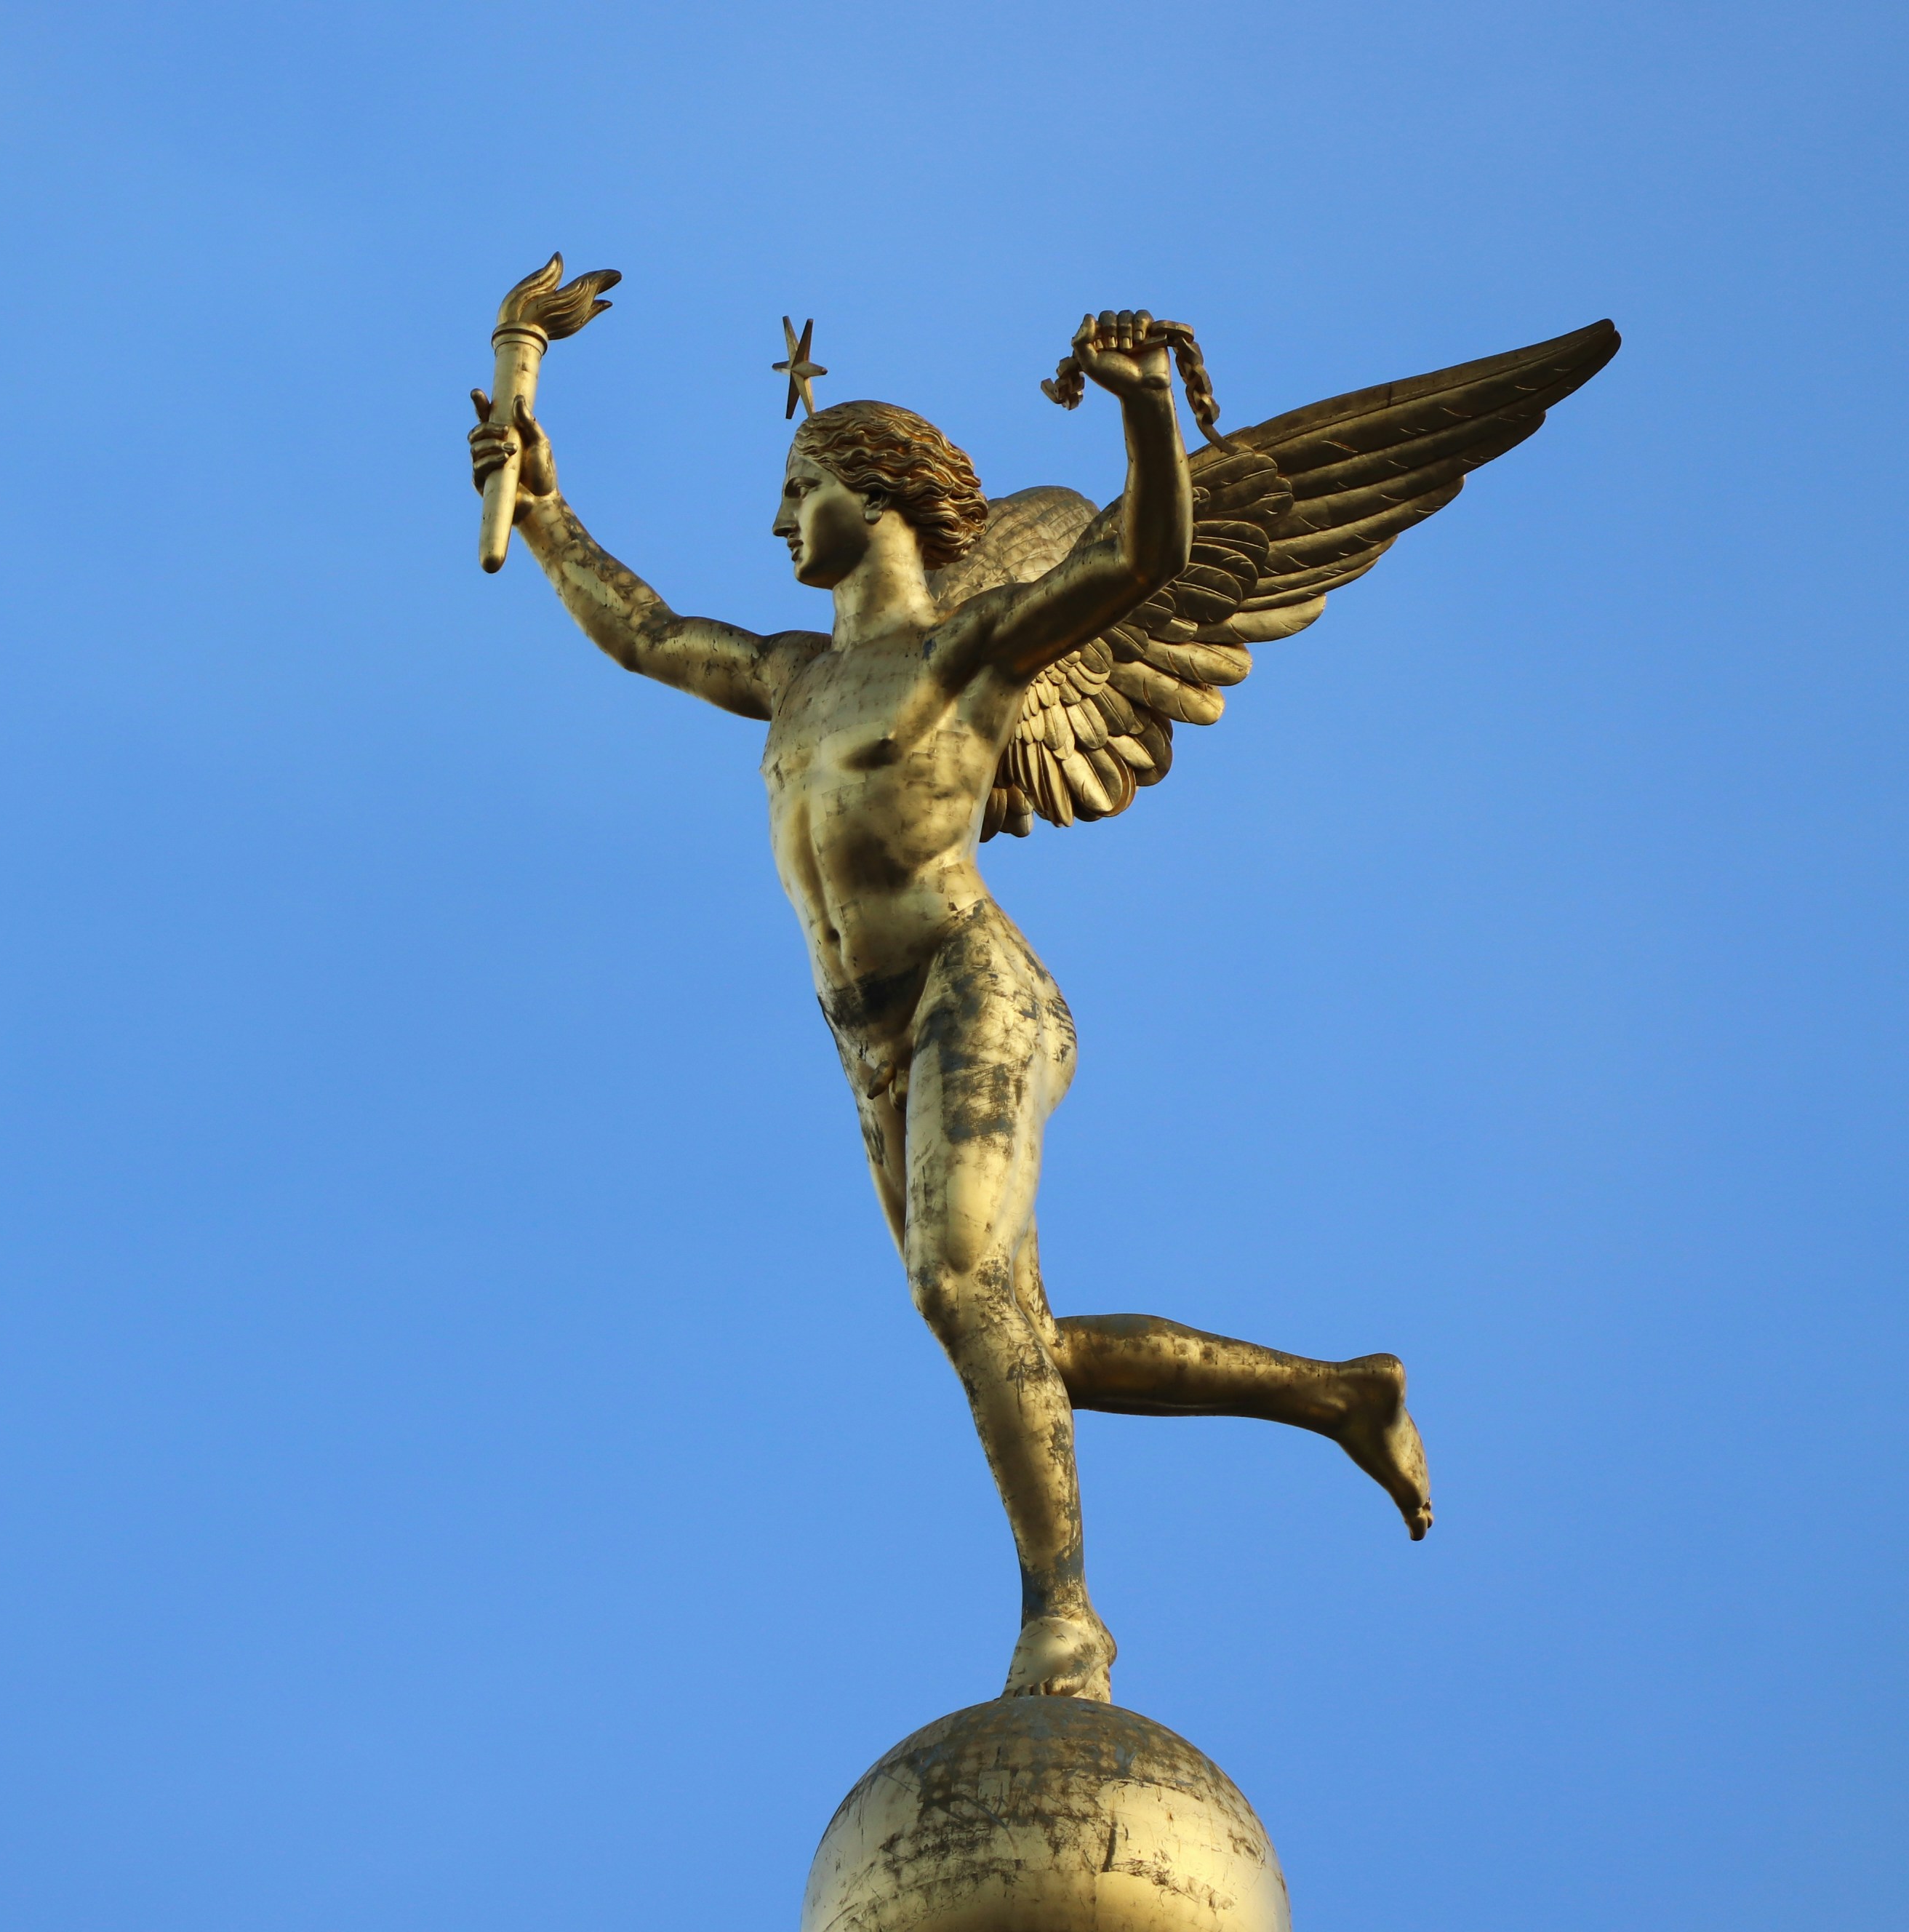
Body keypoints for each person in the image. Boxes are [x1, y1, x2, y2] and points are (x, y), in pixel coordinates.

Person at [466, 312, 1429, 1704]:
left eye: (804, 487)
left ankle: (1066, 1620)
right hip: (863, 1032)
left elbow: (1143, 556)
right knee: (998, 1329)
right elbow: (649, 635)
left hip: (978, 989)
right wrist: (546, 509)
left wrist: (1144, 409)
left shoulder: (970, 649)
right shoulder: (791, 674)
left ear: (881, 491)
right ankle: (1339, 1393)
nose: (781, 517)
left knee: (958, 1285)